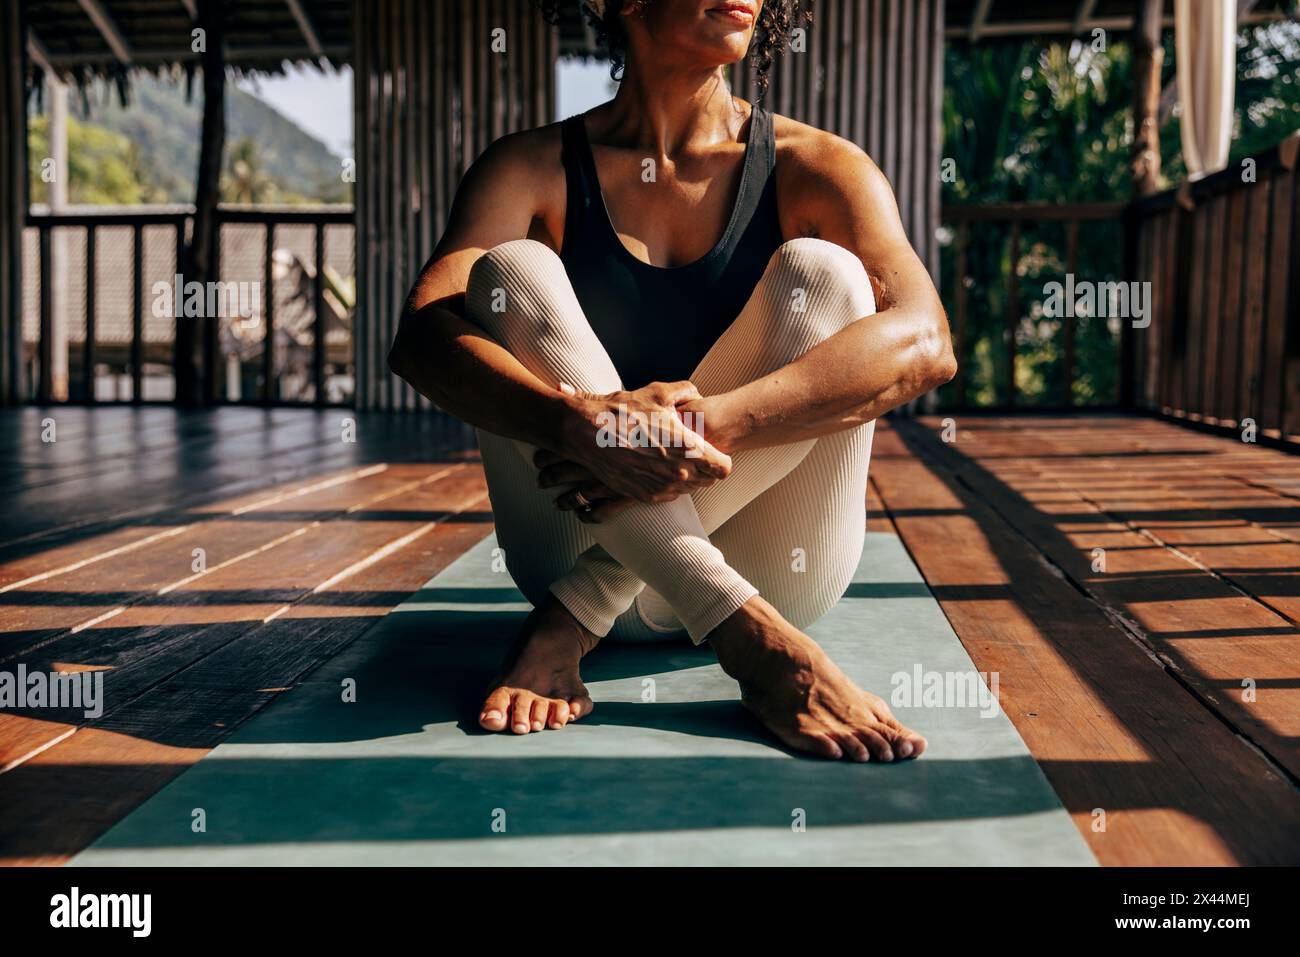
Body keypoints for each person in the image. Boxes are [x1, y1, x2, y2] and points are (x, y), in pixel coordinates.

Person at [389, 0, 956, 762]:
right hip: (568, 532)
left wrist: (702, 429)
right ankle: (751, 643)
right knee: (509, 274)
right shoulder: (531, 166)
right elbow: (421, 337)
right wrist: (579, 424)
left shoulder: (816, 165)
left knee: (825, 277)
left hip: (776, 568)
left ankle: (580, 610)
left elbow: (926, 341)